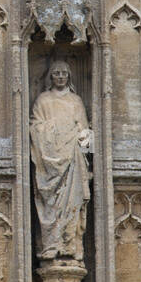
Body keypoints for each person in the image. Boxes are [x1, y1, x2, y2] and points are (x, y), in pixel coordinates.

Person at [29, 60, 93, 262]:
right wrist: (52, 131)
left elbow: (85, 131)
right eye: (56, 73)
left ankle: (70, 245)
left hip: (73, 160)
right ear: (50, 77)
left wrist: (86, 150)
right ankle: (51, 244)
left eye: (64, 73)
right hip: (48, 163)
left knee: (73, 203)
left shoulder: (75, 101)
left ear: (69, 76)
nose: (60, 76)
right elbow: (34, 126)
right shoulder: (43, 100)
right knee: (51, 205)